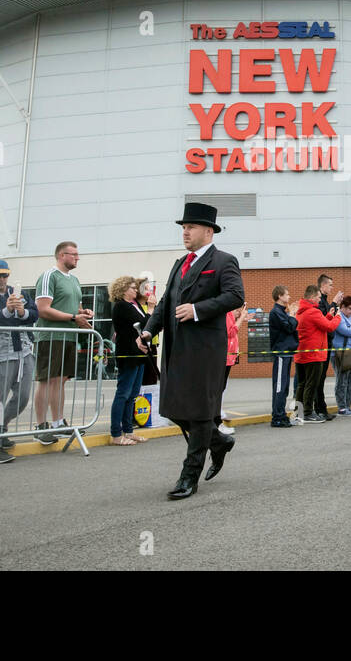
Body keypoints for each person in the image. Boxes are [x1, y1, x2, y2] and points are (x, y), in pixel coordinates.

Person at [138, 202, 245, 500]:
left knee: (198, 414)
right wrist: (149, 330)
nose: (185, 231)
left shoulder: (224, 261)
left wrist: (198, 309)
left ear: (208, 231)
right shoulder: (178, 264)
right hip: (175, 349)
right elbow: (165, 305)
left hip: (204, 350)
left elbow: (235, 296)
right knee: (172, 408)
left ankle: (190, 475)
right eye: (183, 227)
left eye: (191, 227)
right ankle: (219, 441)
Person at [0, 260, 38, 464]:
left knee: (23, 397)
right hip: (2, 354)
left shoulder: (19, 292)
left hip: (24, 352)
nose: (2, 280)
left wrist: (21, 311)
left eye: (5, 275)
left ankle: (1, 428)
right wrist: (8, 310)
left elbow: (34, 314)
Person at [32, 242, 93, 444]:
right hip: (51, 336)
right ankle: (41, 426)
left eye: (78, 254)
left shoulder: (74, 280)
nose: (77, 258)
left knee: (61, 380)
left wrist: (83, 314)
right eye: (73, 254)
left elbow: (77, 307)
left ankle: (58, 423)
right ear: (61, 255)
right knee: (46, 380)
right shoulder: (49, 276)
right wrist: (73, 317)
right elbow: (43, 308)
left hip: (68, 336)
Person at [108, 275, 150, 447]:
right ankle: (116, 434)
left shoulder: (135, 304)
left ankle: (128, 431)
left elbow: (146, 325)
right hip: (128, 353)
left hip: (139, 353)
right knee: (123, 393)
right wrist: (152, 309)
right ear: (123, 289)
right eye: (132, 287)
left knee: (132, 395)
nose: (135, 290)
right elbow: (144, 322)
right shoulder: (121, 306)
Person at [294, 284, 342, 424]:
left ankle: (300, 412)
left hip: (302, 353)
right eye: (319, 297)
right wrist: (337, 317)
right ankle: (308, 412)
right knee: (311, 384)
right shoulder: (312, 312)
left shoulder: (302, 311)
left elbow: (317, 325)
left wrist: (328, 316)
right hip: (314, 354)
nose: (320, 300)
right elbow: (329, 327)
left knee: (302, 384)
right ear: (312, 297)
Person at [267, 286, 298, 427]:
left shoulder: (281, 312)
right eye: (287, 294)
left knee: (284, 386)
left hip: (287, 352)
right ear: (280, 296)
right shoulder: (276, 313)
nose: (289, 297)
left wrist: (290, 315)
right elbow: (289, 327)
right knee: (280, 385)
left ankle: (281, 414)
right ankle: (277, 417)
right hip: (281, 352)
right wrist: (292, 315)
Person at [217, 306, 248, 435]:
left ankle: (217, 415)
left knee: (220, 389)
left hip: (229, 357)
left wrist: (239, 317)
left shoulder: (230, 313)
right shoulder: (226, 313)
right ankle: (216, 423)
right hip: (224, 357)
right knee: (218, 390)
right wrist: (240, 318)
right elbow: (231, 332)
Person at [315, 274, 337, 420]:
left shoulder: (324, 301)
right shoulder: (321, 303)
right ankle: (319, 409)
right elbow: (325, 321)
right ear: (322, 286)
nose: (331, 287)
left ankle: (321, 408)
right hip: (320, 345)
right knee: (318, 378)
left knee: (321, 378)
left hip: (326, 343)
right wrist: (334, 303)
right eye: (329, 285)